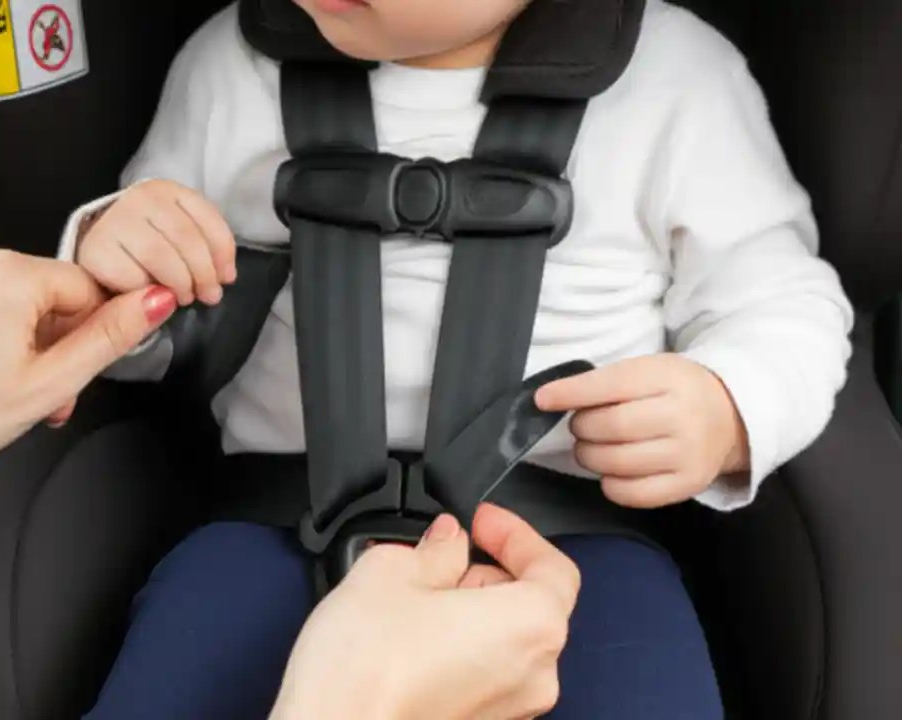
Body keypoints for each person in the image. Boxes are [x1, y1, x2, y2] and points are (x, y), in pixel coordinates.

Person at [0, 1, 584, 719]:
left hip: (555, 535)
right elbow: (151, 318)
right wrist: (121, 247)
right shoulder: (236, 71)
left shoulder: (656, 88)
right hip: (274, 514)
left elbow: (702, 312)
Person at [58, 0, 856, 717]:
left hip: (570, 551)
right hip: (274, 529)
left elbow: (782, 304)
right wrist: (113, 268)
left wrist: (728, 407)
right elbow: (148, 331)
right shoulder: (229, 64)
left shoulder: (677, 78)